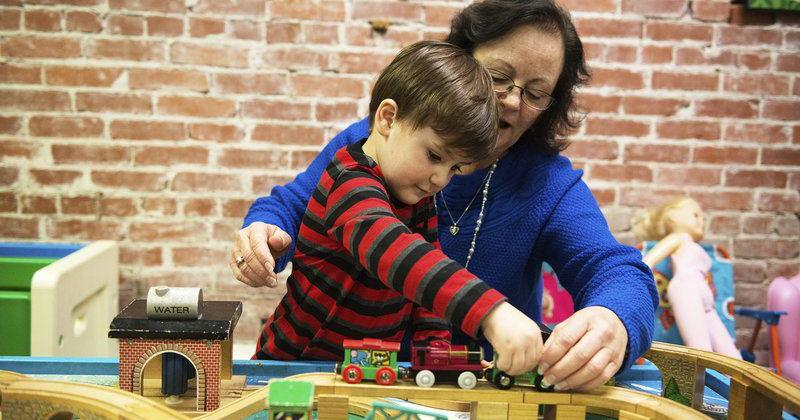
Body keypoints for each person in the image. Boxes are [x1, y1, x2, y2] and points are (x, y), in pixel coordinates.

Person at [231, 0, 658, 391]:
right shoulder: (370, 152)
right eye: (499, 77)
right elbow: (296, 207)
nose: (510, 102)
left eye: (534, 93)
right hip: (331, 373)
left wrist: (614, 321)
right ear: (461, 63)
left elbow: (617, 269)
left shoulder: (547, 184)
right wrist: (266, 231)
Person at [256, 40, 545, 377]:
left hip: (366, 370)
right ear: (389, 119)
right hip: (293, 365)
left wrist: (441, 359)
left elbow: (425, 296)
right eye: (435, 156)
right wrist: (490, 312)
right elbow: (393, 250)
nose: (440, 179)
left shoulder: (419, 199)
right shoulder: (348, 181)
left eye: (454, 168)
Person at [633, 197, 741, 359]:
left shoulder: (690, 243)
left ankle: (737, 380)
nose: (702, 221)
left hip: (705, 298)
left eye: (703, 219)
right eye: (695, 215)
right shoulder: (679, 238)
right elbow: (648, 261)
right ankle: (701, 382)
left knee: (730, 354)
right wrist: (636, 284)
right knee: (701, 351)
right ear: (673, 217)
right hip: (686, 289)